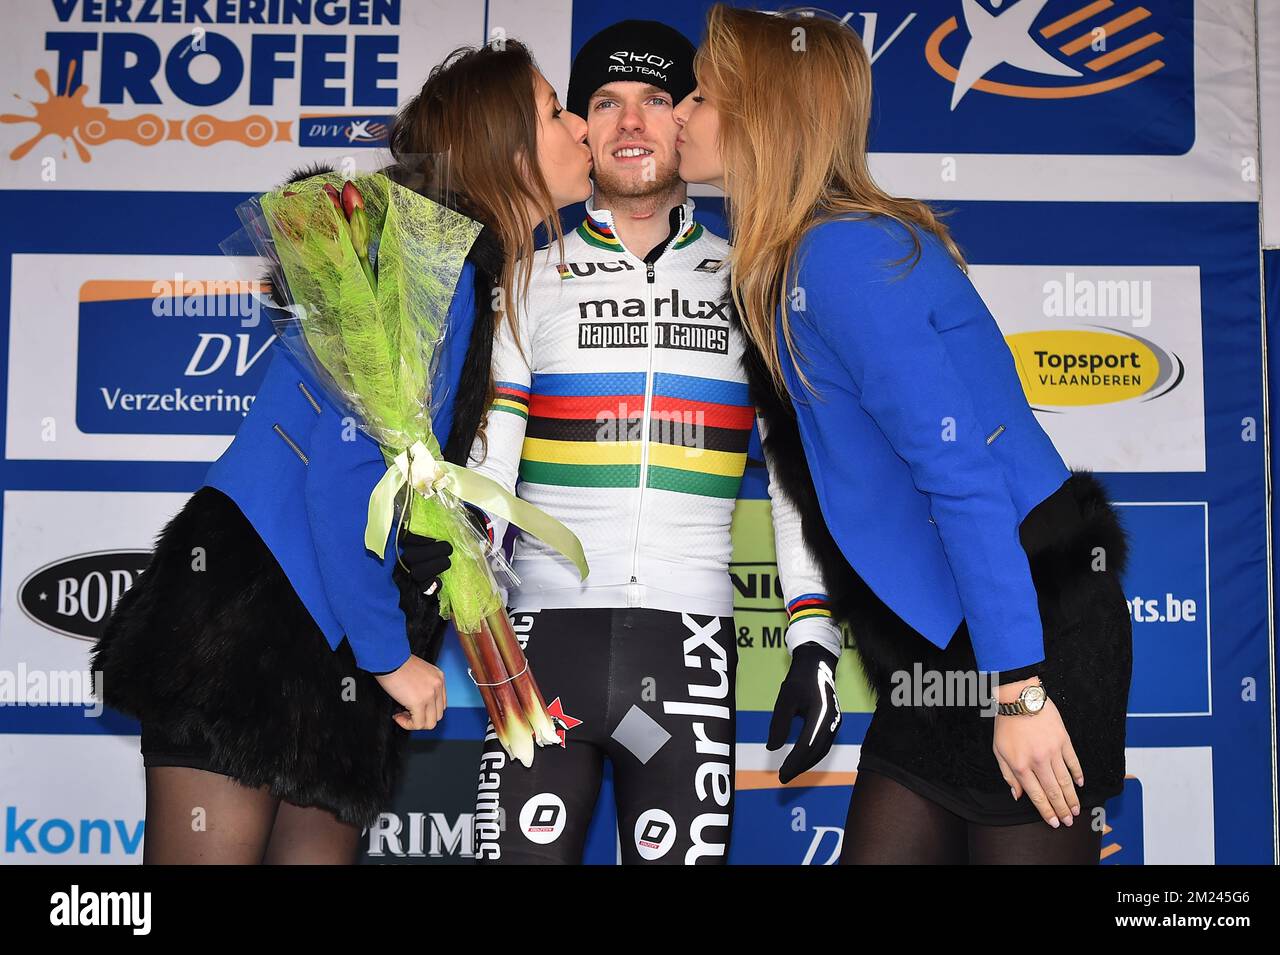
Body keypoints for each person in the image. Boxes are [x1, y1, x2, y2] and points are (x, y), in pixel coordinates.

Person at [89, 40, 593, 864]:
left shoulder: (445, 253)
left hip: (334, 637)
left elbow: (400, 481)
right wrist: (391, 656)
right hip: (254, 623)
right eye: (552, 112)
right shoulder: (431, 259)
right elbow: (347, 471)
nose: (577, 127)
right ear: (503, 145)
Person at [673, 5, 1133, 864]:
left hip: (1026, 625)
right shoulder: (788, 266)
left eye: (700, 96)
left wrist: (1021, 693)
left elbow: (959, 474)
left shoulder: (837, 258)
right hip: (949, 644)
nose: (680, 114)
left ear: (760, 115)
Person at [452, 20, 842, 865]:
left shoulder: (755, 280)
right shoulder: (527, 275)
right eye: (605, 102)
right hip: (539, 642)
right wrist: (457, 568)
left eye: (657, 99)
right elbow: (492, 468)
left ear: (692, 119)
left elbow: (793, 484)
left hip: (692, 640)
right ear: (581, 133)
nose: (631, 122)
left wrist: (813, 637)